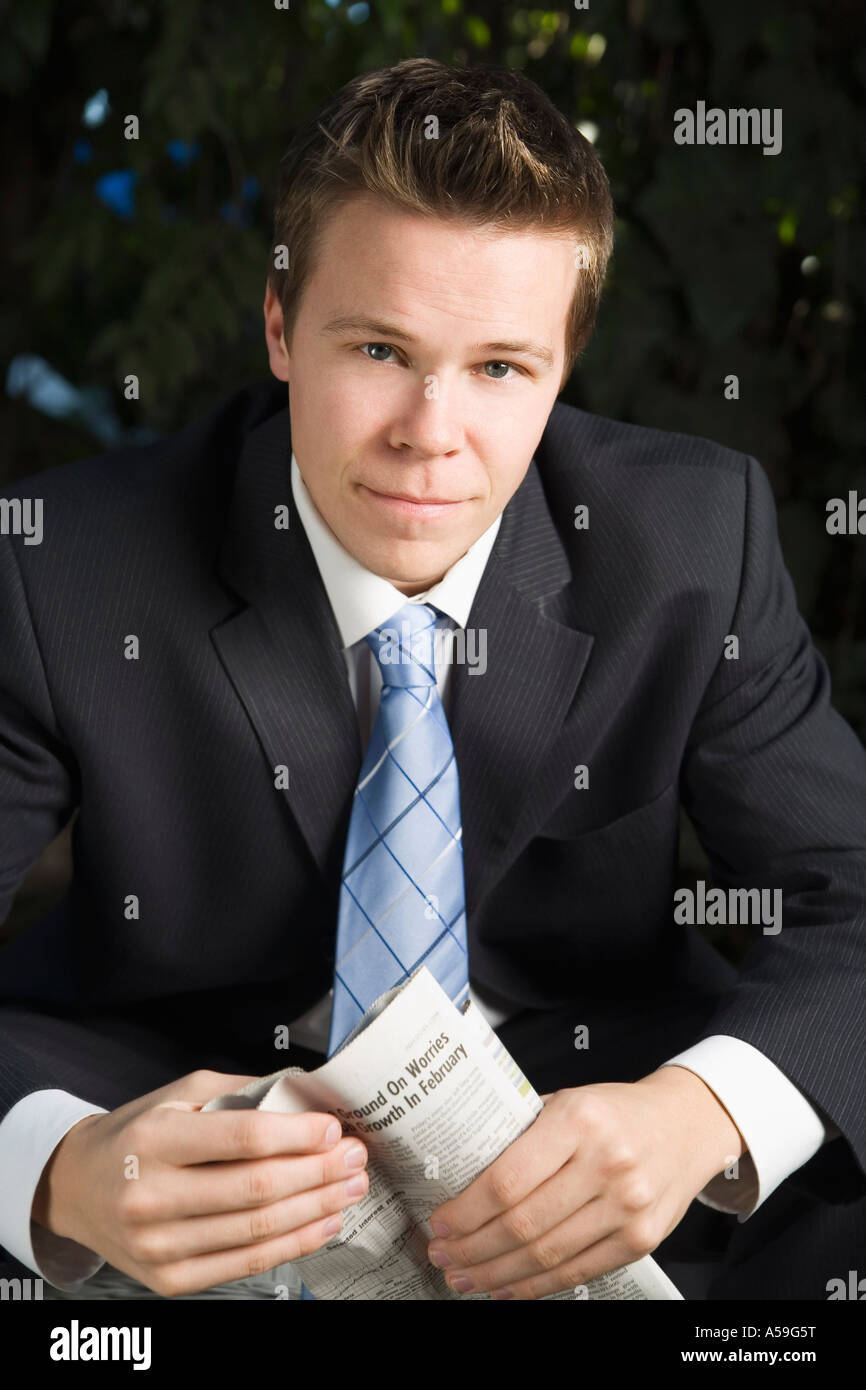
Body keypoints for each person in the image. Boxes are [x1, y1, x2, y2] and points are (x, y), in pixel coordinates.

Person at [0, 58, 864, 1303]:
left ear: (562, 370)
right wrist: (56, 1170)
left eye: (499, 369)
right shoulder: (62, 567)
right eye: (378, 347)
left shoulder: (691, 540)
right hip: (180, 1157)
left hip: (590, 1144)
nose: (429, 432)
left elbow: (847, 899)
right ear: (281, 327)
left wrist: (698, 1116)